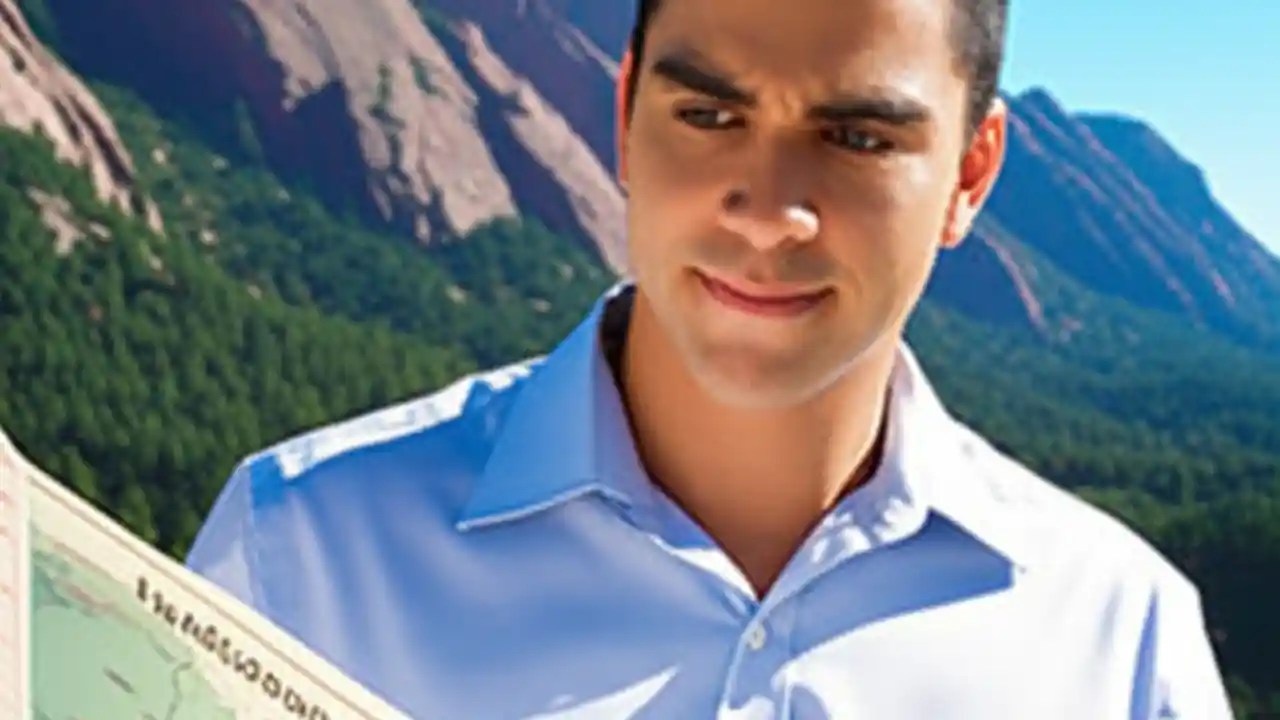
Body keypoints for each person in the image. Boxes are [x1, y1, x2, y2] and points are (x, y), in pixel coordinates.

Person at [186, 0, 1236, 717]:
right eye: (707, 114)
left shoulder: (1117, 635)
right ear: (624, 118)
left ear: (969, 172)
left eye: (857, 139)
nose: (767, 213)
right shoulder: (302, 552)